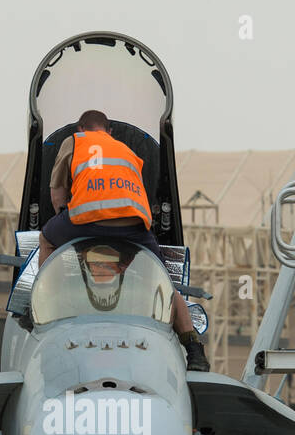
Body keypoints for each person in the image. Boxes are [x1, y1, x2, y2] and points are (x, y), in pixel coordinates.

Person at [36, 109, 209, 372]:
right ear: (109, 131)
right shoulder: (126, 151)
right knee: (165, 284)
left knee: (46, 239)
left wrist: (62, 218)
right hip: (133, 224)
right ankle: (195, 351)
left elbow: (57, 190)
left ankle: (42, 305)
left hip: (88, 218)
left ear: (81, 128)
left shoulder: (76, 141)